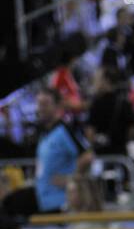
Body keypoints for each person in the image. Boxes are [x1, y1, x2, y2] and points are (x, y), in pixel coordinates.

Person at [1, 87, 91, 219]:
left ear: (57, 106)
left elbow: (87, 157)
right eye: (39, 104)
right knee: (9, 204)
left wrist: (71, 178)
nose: (41, 108)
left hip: (58, 199)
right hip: (42, 194)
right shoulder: (44, 132)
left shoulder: (64, 130)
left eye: (45, 104)